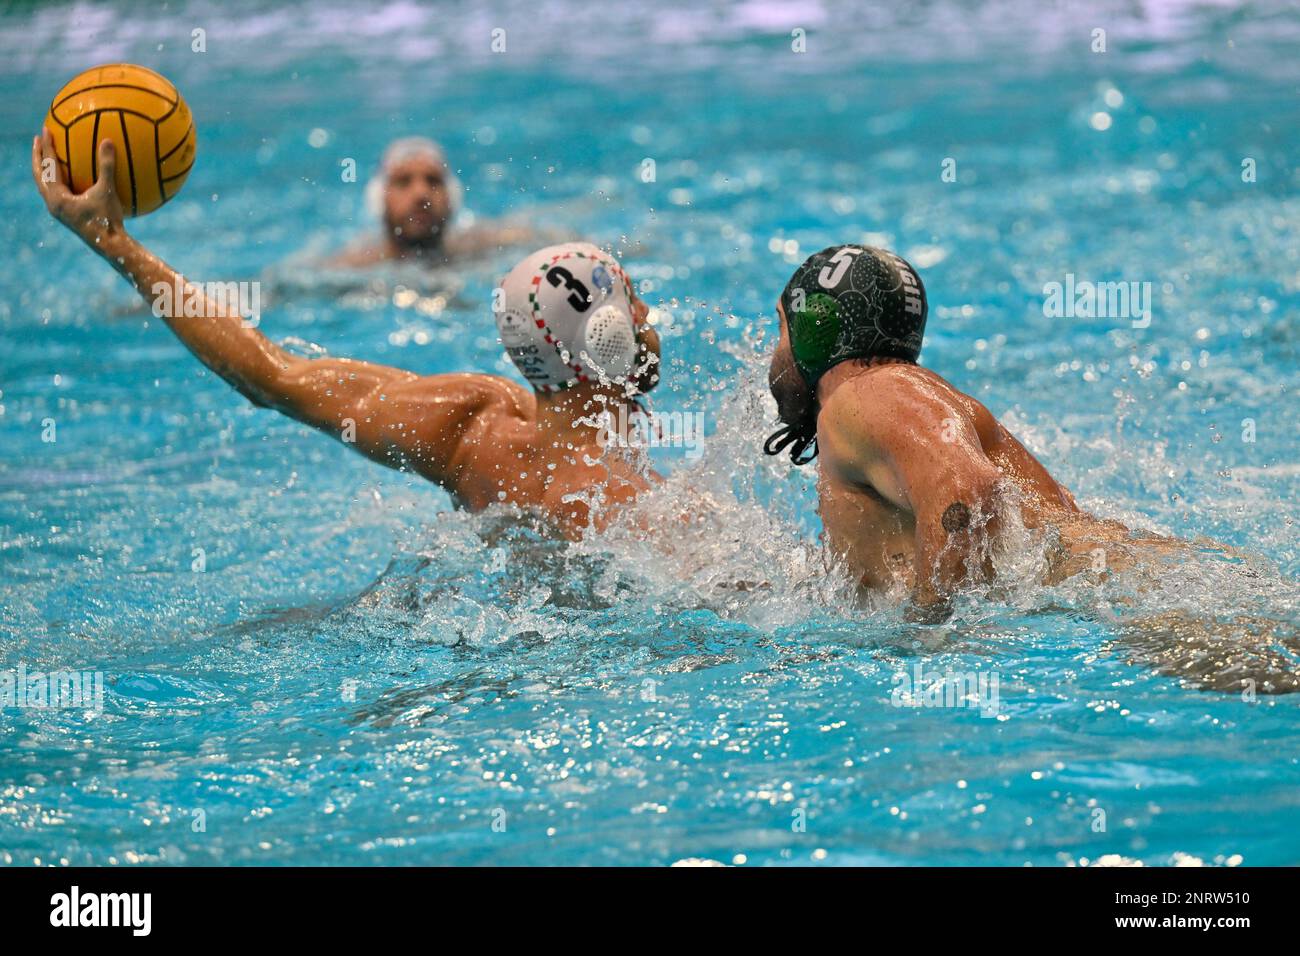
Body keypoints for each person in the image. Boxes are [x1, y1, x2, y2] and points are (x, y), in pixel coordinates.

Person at [32, 131, 660, 538]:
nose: (649, 316)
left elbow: (272, 375)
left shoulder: (469, 429)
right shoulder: (642, 508)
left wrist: (112, 242)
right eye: (635, 303)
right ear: (606, 338)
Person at [763, 243, 1182, 611]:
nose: (773, 350)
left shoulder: (864, 395)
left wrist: (927, 633)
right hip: (1144, 587)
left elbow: (965, 490)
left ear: (815, 327)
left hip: (1148, 607)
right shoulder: (882, 411)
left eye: (781, 327)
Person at [325, 136, 537, 268]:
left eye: (433, 181)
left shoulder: (484, 246)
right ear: (380, 199)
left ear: (452, 198)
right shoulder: (351, 267)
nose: (421, 194)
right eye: (403, 182)